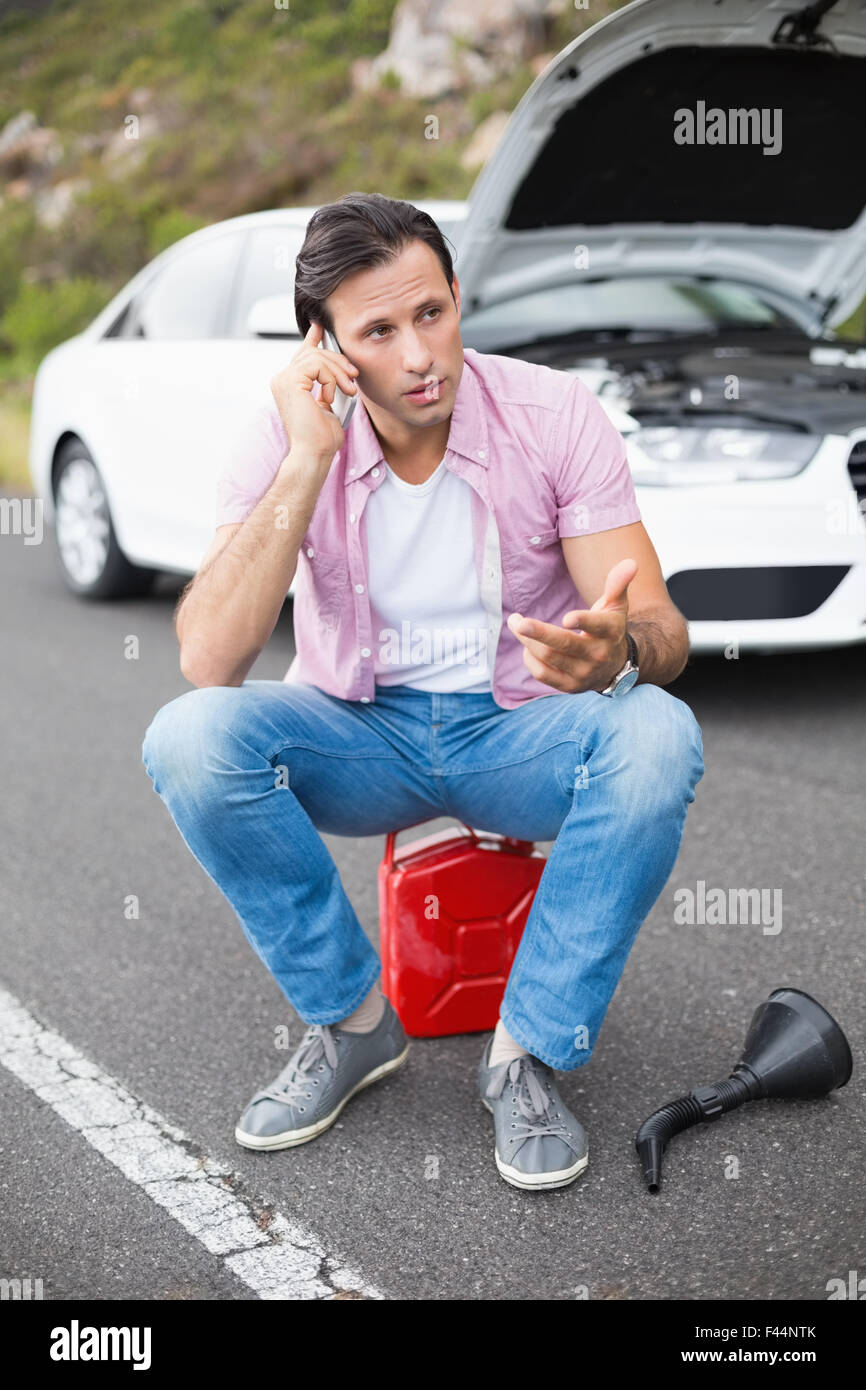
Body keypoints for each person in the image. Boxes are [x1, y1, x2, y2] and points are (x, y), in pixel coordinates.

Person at [141, 192, 705, 1192]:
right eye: (379, 331)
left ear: (455, 294)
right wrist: (309, 457)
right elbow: (208, 661)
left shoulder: (549, 414)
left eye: (432, 313)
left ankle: (522, 1053)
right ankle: (352, 1024)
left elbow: (664, 632)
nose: (420, 356)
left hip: (516, 730)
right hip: (361, 734)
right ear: (325, 344)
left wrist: (615, 652)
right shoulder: (280, 443)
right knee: (188, 737)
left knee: (657, 735)